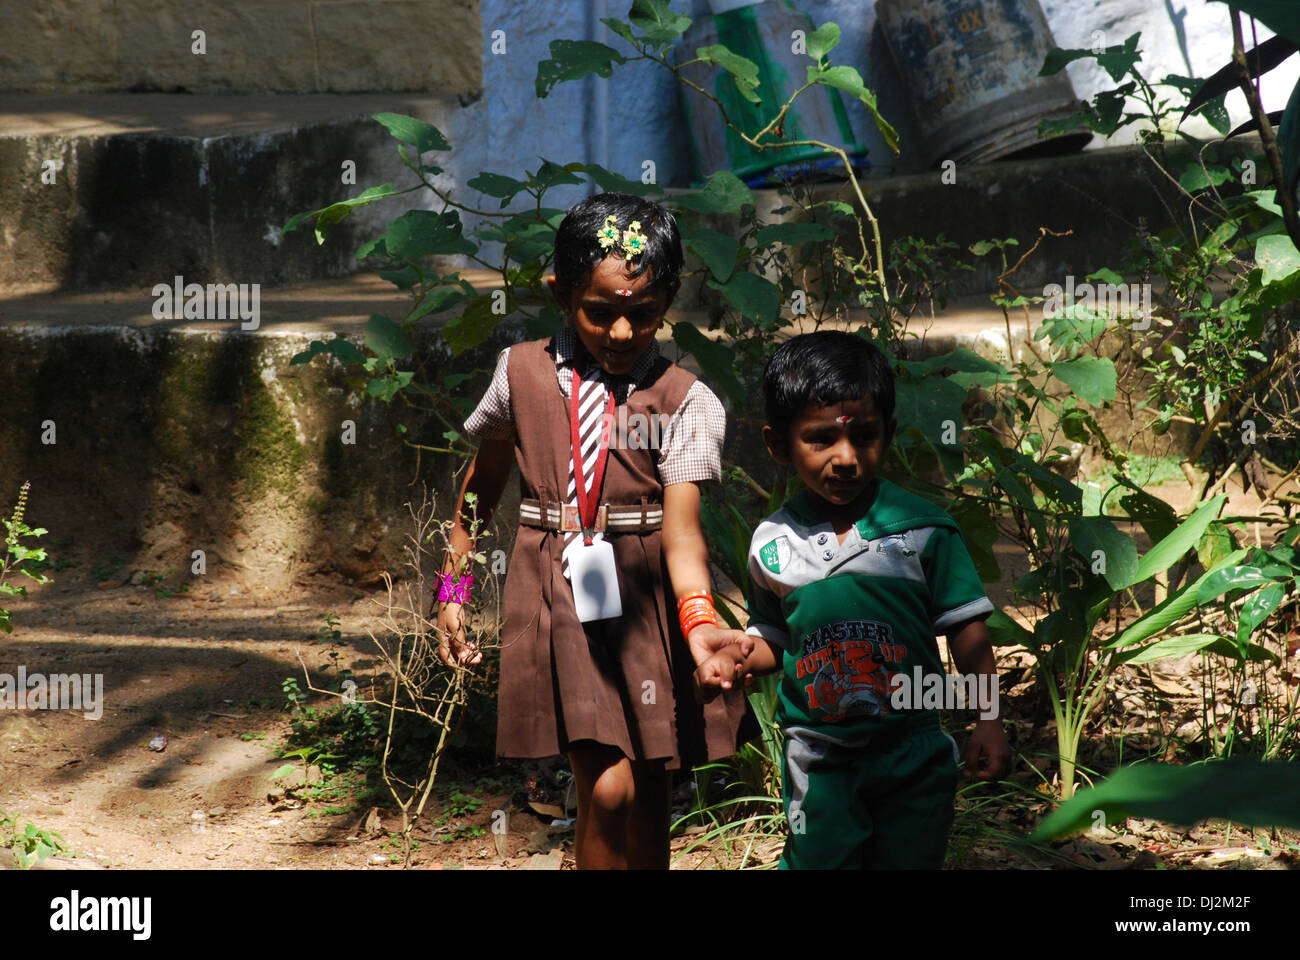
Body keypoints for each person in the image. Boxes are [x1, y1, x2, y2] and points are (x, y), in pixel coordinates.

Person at [435, 192, 751, 869]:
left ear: (667, 300)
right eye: (599, 311)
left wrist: (697, 622)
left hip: (646, 598)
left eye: (643, 315)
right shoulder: (519, 375)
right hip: (558, 590)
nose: (620, 333)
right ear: (560, 292)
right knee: (606, 787)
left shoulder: (684, 400)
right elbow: (479, 490)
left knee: (648, 788)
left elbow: (685, 534)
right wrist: (452, 589)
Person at [694, 330, 1010, 869]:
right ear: (778, 445)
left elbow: (967, 632)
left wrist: (988, 718)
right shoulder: (772, 545)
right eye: (821, 439)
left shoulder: (925, 531)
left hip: (913, 745)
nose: (845, 458)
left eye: (864, 436)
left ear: (888, 434)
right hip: (820, 755)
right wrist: (740, 656)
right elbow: (773, 635)